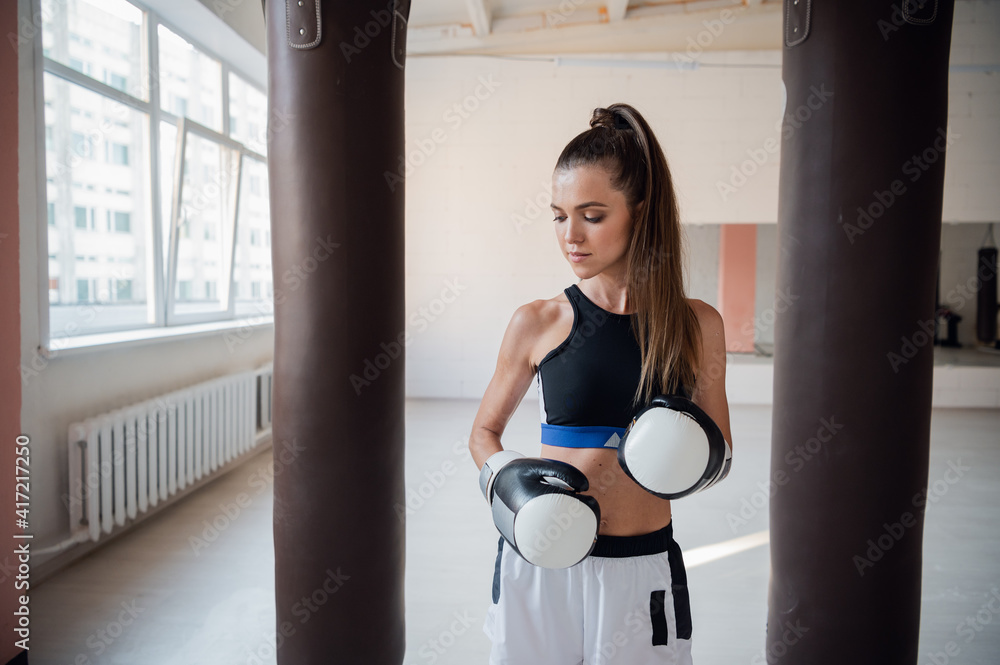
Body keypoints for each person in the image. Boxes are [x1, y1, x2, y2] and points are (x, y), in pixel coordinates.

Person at [468, 102, 733, 665]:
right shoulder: (538, 322)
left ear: (640, 212)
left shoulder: (697, 326)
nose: (571, 235)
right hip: (540, 559)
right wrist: (511, 485)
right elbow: (484, 433)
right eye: (559, 215)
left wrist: (688, 453)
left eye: (592, 215)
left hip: (641, 569)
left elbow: (720, 454)